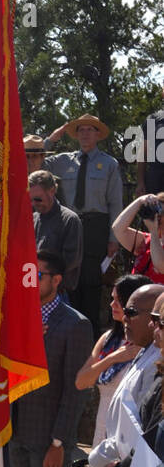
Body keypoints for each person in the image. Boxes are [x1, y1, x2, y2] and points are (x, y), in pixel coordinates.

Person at [9, 250, 92, 467]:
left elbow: (76, 392)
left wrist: (60, 441)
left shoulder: (75, 324)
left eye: (38, 275)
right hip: (18, 433)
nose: (32, 281)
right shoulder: (19, 317)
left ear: (56, 280)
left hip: (50, 439)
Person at [75, 273, 151, 467]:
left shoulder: (146, 346)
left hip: (126, 438)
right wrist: (112, 359)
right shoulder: (109, 339)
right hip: (102, 431)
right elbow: (82, 381)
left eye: (118, 301)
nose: (112, 305)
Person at [42, 115, 123, 328]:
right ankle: (69, 329)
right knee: (68, 279)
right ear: (76, 135)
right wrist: (51, 139)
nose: (85, 133)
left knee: (91, 282)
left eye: (90, 129)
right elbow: (35, 160)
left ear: (98, 135)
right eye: (81, 130)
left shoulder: (109, 164)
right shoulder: (63, 161)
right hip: (68, 225)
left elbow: (115, 203)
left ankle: (91, 333)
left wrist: (114, 238)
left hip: (96, 227)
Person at [86, 280, 164, 467]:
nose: (125, 318)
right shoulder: (145, 351)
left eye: (131, 311)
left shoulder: (157, 363)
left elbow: (148, 432)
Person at [29, 170, 82, 293]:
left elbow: (70, 261)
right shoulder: (33, 219)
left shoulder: (69, 220)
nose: (34, 204)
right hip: (34, 290)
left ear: (52, 191)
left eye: (38, 199)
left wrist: (42, 274)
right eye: (30, 200)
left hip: (58, 292)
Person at [110, 193, 164, 285]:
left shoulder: (153, 238)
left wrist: (154, 232)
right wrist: (140, 201)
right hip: (137, 298)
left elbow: (161, 265)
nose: (157, 217)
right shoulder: (147, 241)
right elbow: (118, 229)